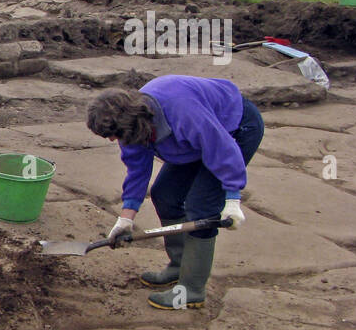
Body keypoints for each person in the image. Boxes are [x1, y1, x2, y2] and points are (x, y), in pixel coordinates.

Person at [85, 76, 264, 310]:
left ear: (133, 124)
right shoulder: (130, 124)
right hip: (193, 141)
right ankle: (179, 266)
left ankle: (192, 288)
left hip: (234, 130)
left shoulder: (182, 111)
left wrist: (232, 198)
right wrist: (125, 218)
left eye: (114, 135)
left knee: (201, 208)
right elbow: (138, 171)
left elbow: (221, 149)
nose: (112, 139)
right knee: (165, 195)